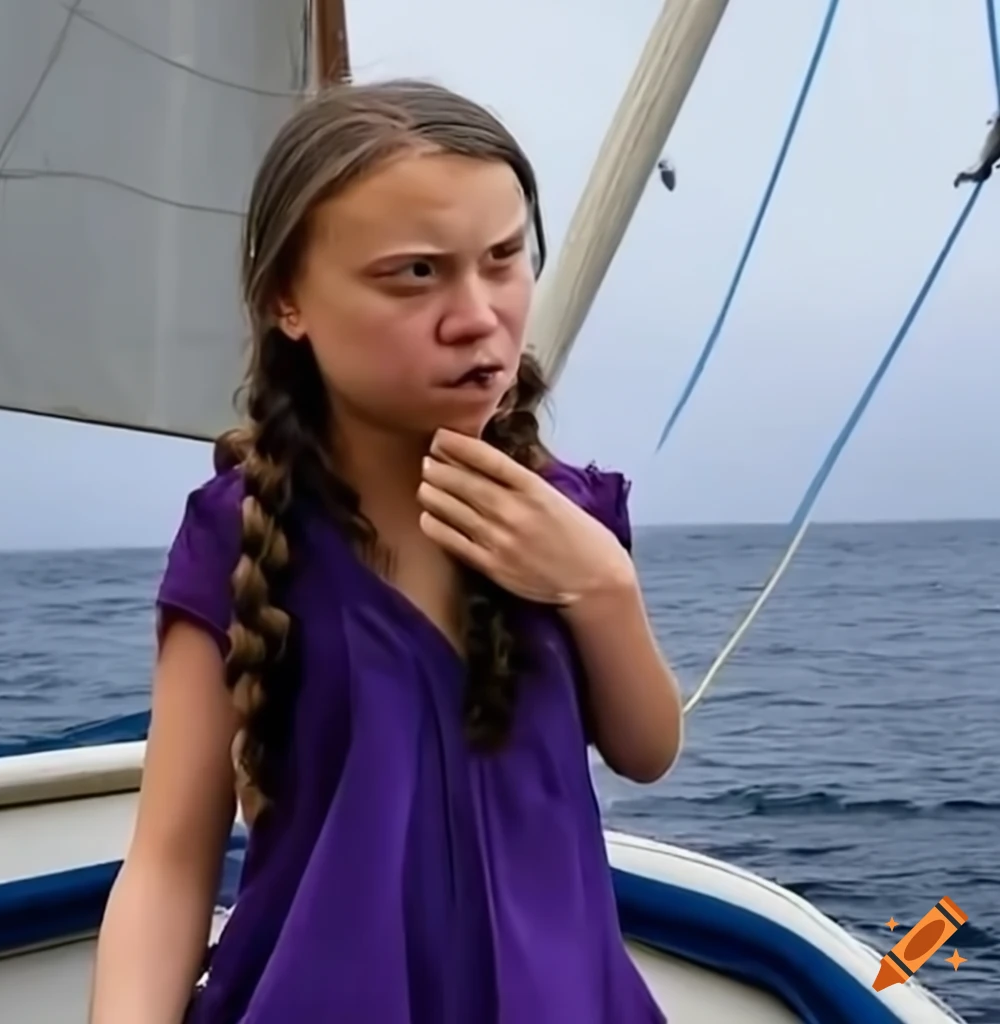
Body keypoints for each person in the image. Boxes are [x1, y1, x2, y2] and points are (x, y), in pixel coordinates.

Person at [90, 78, 683, 1024]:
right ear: (289, 298)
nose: (477, 314)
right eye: (415, 273)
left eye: (503, 259)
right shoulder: (239, 532)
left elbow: (646, 750)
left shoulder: (566, 514)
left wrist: (601, 583)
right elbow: (167, 867)